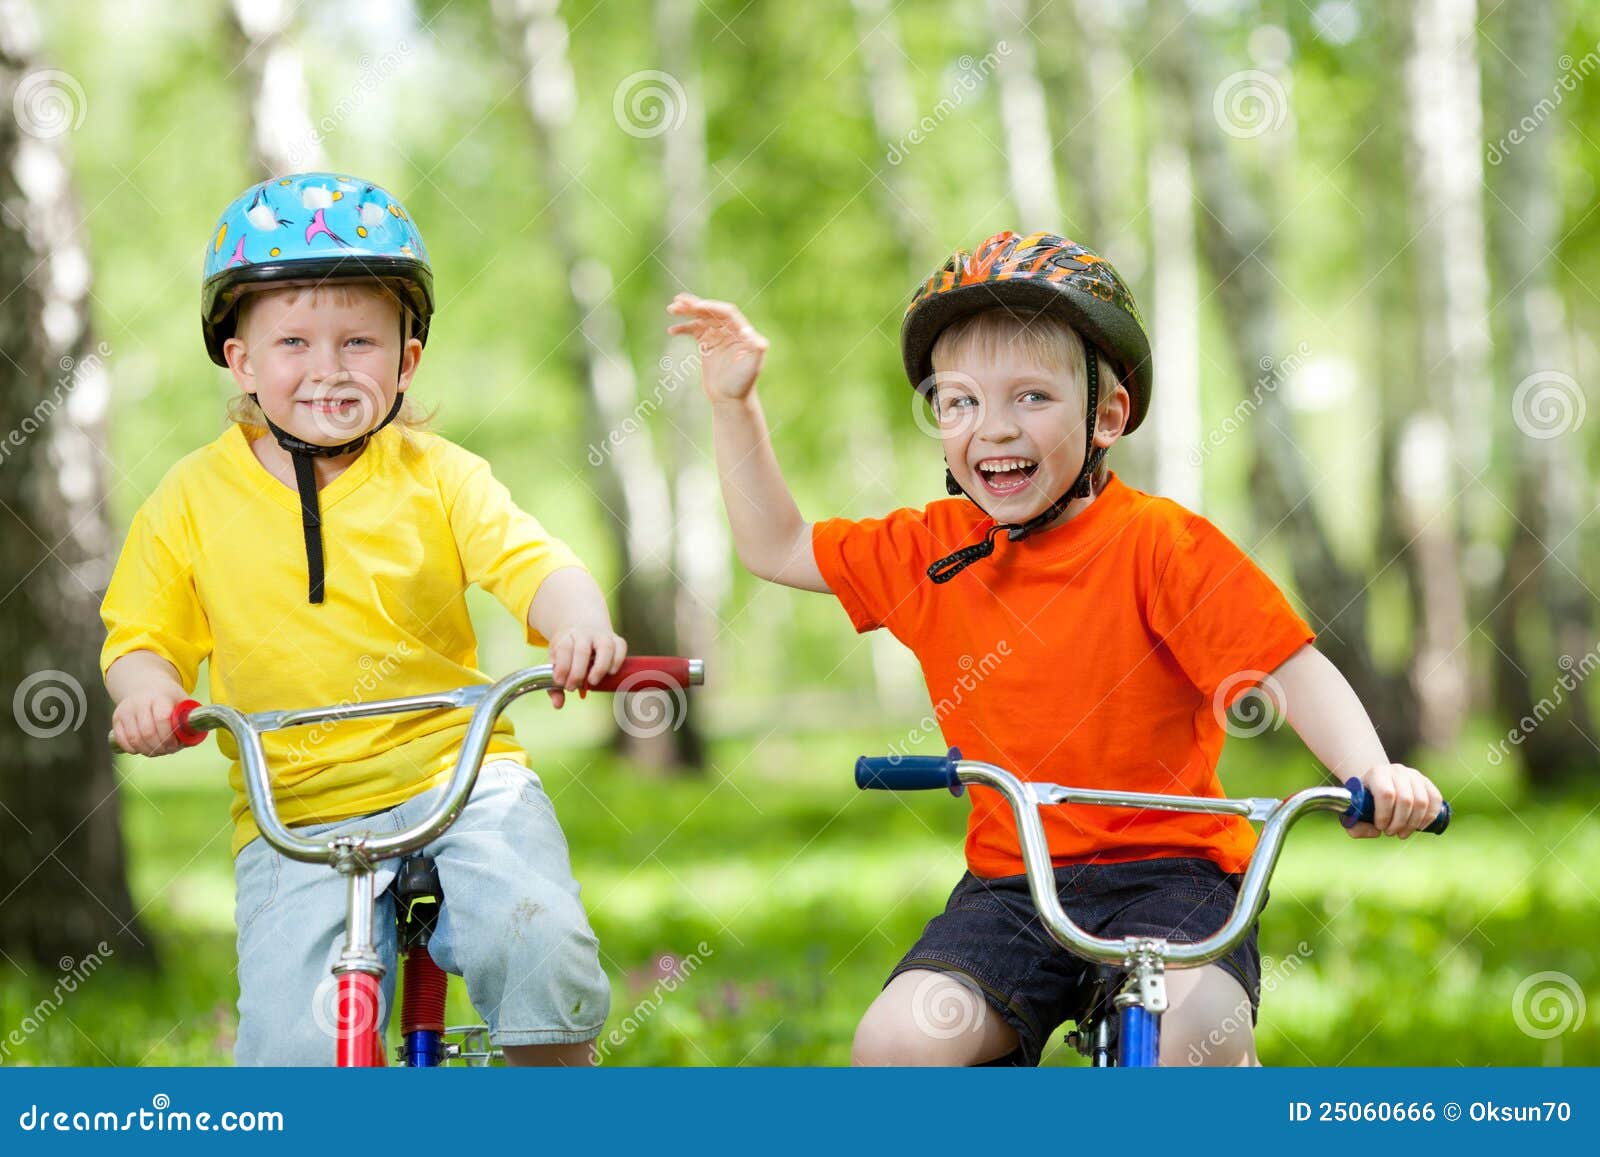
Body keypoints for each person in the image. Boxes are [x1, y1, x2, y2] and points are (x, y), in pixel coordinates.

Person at [668, 230, 1445, 1066]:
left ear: (1106, 415)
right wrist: (732, 404)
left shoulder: (1160, 545)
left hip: (1172, 871)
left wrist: (1369, 771)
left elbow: (1288, 666)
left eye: (1031, 397)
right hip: (1012, 886)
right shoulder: (932, 548)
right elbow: (777, 547)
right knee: (898, 1041)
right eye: (959, 401)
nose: (991, 428)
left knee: (1196, 1025)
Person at [103, 172, 623, 1066]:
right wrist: (150, 693)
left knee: (539, 947)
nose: (329, 367)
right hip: (293, 809)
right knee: (291, 1051)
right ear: (243, 362)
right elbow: (141, 632)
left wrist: (577, 621)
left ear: (406, 359)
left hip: (460, 777)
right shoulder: (188, 498)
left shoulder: (440, 473)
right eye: (293, 341)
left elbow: (535, 563)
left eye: (359, 341)